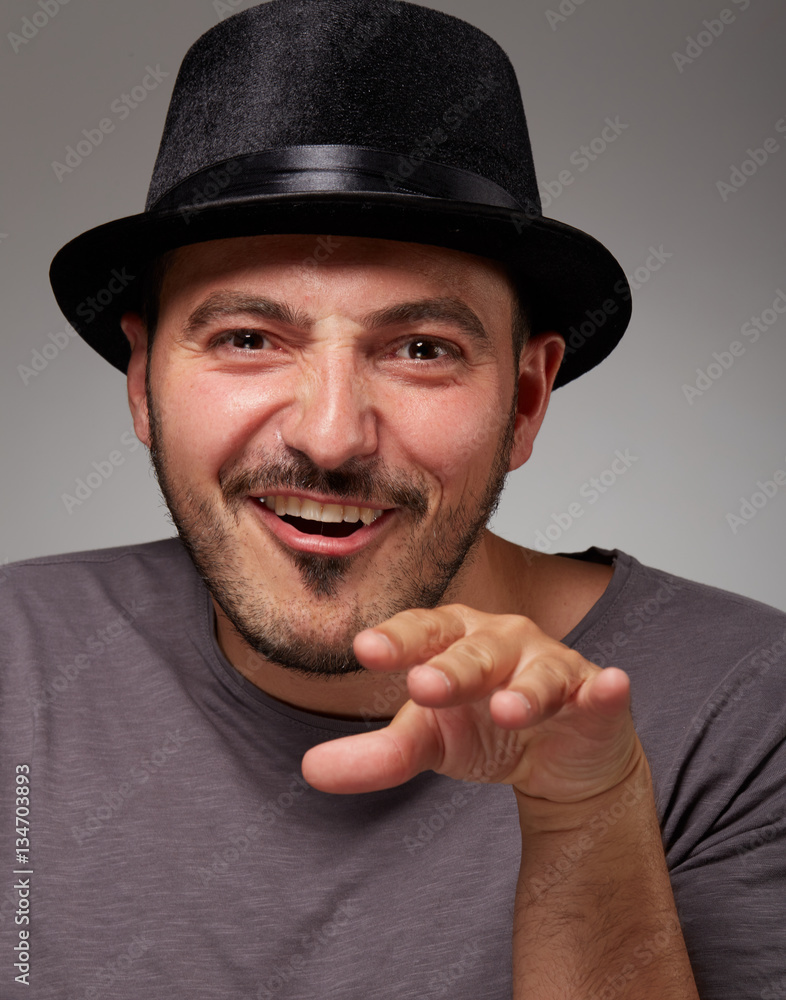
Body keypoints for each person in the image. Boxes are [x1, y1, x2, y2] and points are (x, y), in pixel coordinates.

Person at [2, 1, 784, 997]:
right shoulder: (14, 659)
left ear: (526, 399)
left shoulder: (751, 703)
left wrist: (589, 815)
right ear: (143, 380)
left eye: (422, 350)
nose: (330, 436)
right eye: (248, 337)